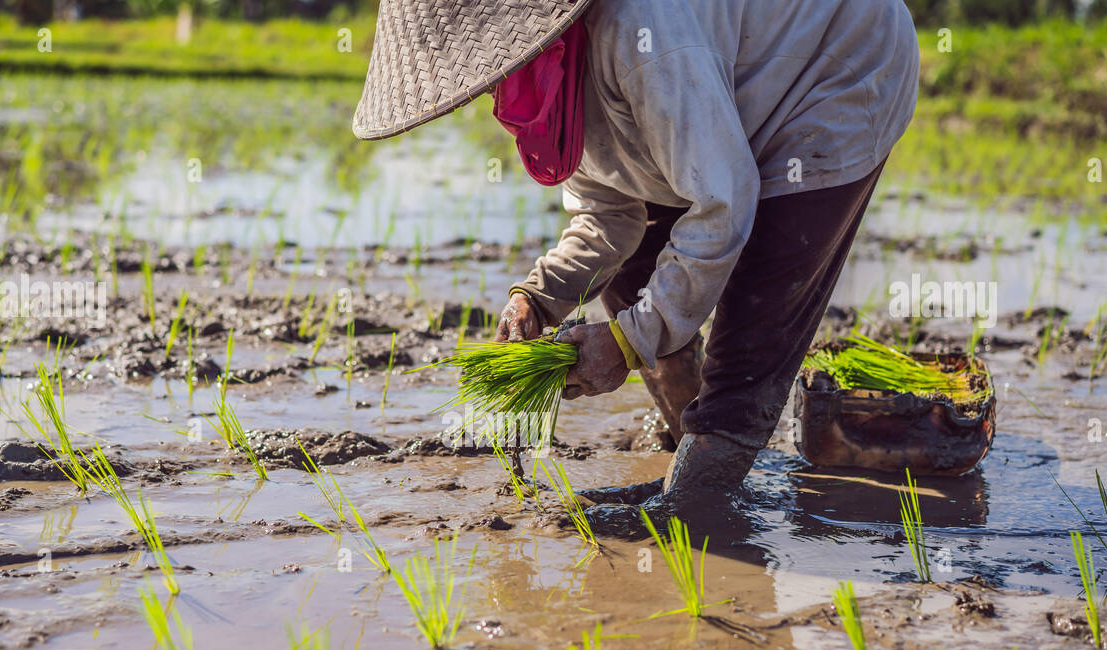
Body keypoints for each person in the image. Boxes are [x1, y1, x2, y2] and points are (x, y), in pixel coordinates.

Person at [353, 0, 919, 528]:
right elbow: (608, 213)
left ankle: (703, 496)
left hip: (838, 63)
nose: (489, 92)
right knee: (634, 271)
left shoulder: (641, 34)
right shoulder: (548, 76)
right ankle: (689, 445)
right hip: (722, 94)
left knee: (757, 316)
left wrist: (626, 343)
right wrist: (539, 295)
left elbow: (723, 204)